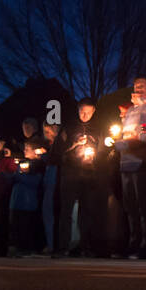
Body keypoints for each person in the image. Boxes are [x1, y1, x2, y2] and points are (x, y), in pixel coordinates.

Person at [114, 75, 146, 259]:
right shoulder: (130, 109)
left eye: (142, 85)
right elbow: (125, 131)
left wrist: (133, 144)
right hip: (125, 161)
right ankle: (133, 242)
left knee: (144, 206)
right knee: (130, 206)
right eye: (136, 86)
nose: (138, 89)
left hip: (142, 161)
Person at [62, 98, 105, 256]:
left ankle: (85, 245)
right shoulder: (69, 127)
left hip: (89, 173)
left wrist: (94, 145)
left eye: (88, 111)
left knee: (87, 210)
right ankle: (63, 245)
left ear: (93, 111)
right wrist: (74, 144)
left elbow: (104, 148)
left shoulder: (98, 128)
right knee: (66, 209)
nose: (84, 115)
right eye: (81, 111)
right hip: (71, 172)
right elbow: (60, 149)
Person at [39, 122, 66, 256]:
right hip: (49, 180)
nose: (47, 134)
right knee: (48, 213)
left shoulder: (60, 144)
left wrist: (45, 156)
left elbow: (56, 159)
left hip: (54, 180)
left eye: (49, 130)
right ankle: (51, 243)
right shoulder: (51, 145)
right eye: (46, 131)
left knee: (51, 213)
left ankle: (54, 244)